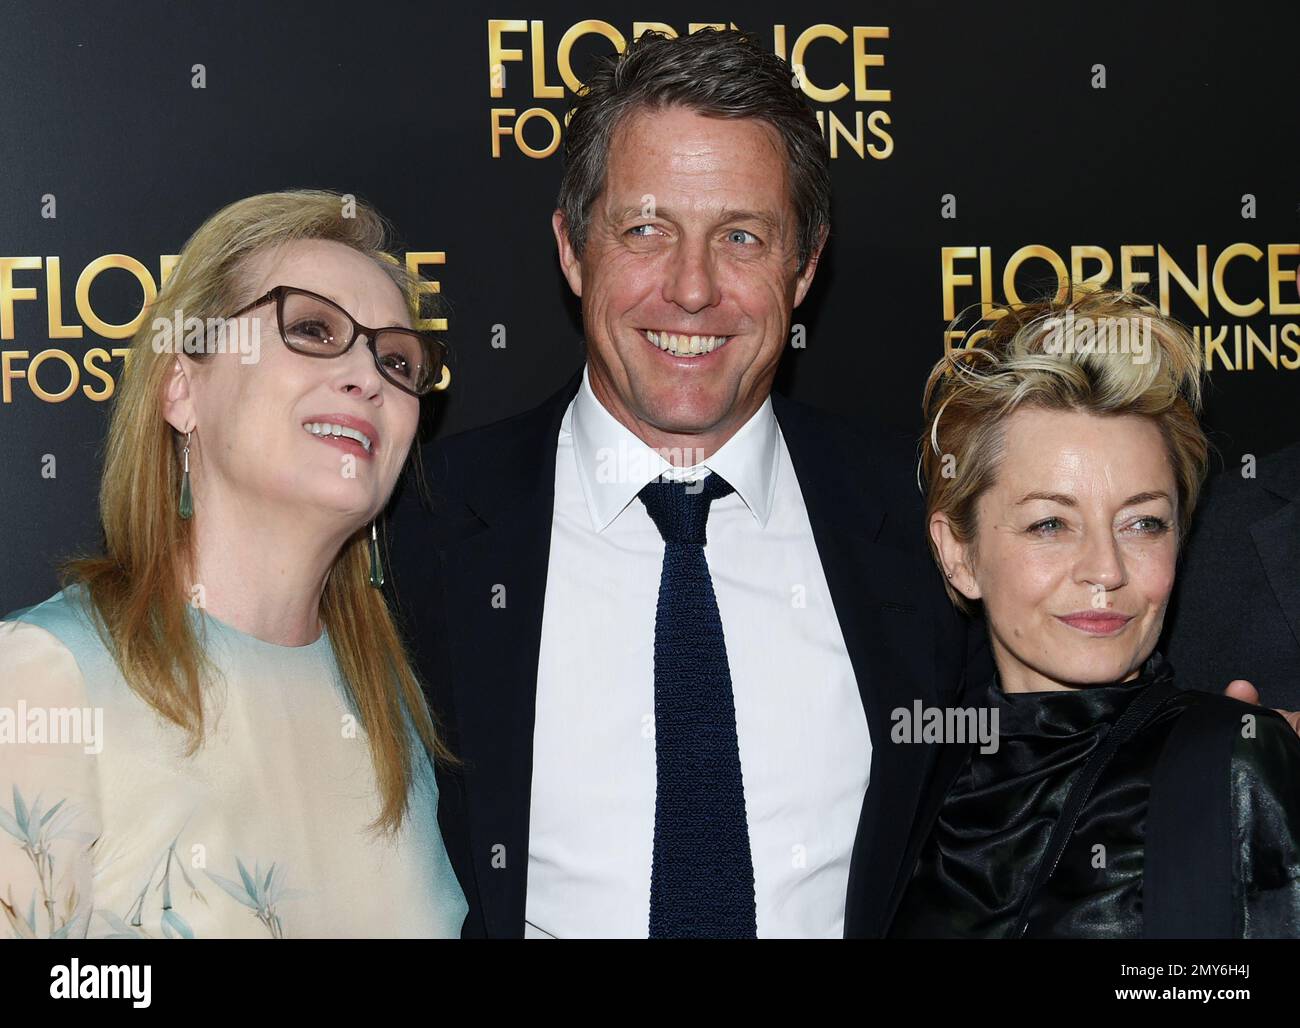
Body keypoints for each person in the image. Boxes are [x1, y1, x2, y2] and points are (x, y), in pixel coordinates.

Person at [388, 28, 979, 939]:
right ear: (573, 249)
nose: (693, 289)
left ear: (806, 265)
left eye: (742, 236)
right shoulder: (421, 525)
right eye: (646, 230)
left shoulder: (922, 518)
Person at [0, 190, 467, 938]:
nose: (369, 377)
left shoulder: (392, 706)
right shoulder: (47, 677)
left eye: (397, 358)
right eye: (313, 329)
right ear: (182, 388)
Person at [888, 289, 1300, 938]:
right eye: (1051, 523)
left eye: (1142, 523)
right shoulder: (907, 784)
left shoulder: (1232, 768)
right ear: (959, 553)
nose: (1105, 570)